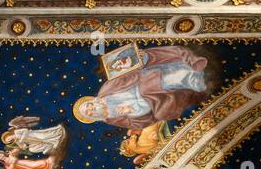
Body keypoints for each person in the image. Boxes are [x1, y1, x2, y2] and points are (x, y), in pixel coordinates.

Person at [74, 45, 209, 131]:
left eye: (89, 105)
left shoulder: (105, 90)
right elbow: (137, 124)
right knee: (162, 113)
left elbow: (126, 76)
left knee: (148, 87)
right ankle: (187, 90)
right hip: (147, 107)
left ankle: (185, 77)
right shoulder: (111, 119)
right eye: (89, 112)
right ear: (92, 118)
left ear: (92, 100)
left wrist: (135, 63)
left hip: (141, 83)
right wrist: (130, 111)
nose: (92, 108)